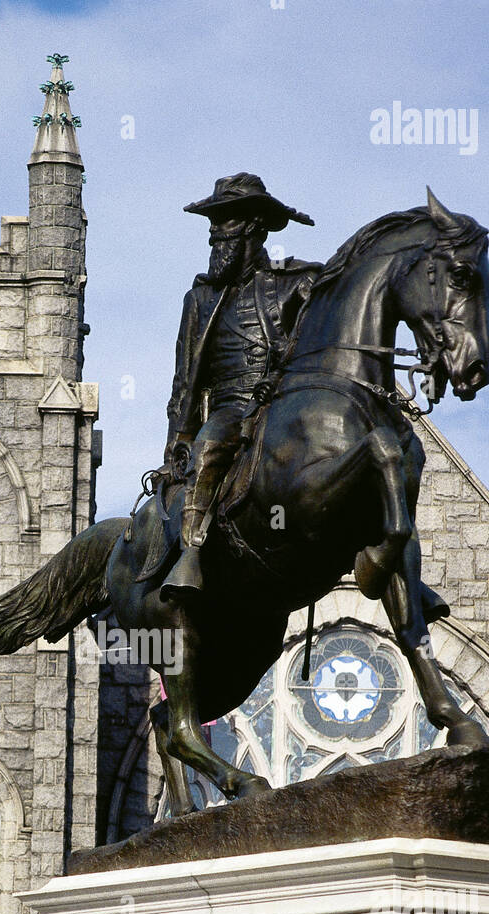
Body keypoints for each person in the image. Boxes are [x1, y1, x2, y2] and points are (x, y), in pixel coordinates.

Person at [161, 172, 319, 598]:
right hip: (230, 413)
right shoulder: (199, 300)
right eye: (212, 222)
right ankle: (190, 553)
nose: (214, 233)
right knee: (211, 440)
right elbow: (184, 384)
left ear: (253, 224)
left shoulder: (297, 283)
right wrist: (176, 442)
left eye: (225, 221)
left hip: (284, 408)